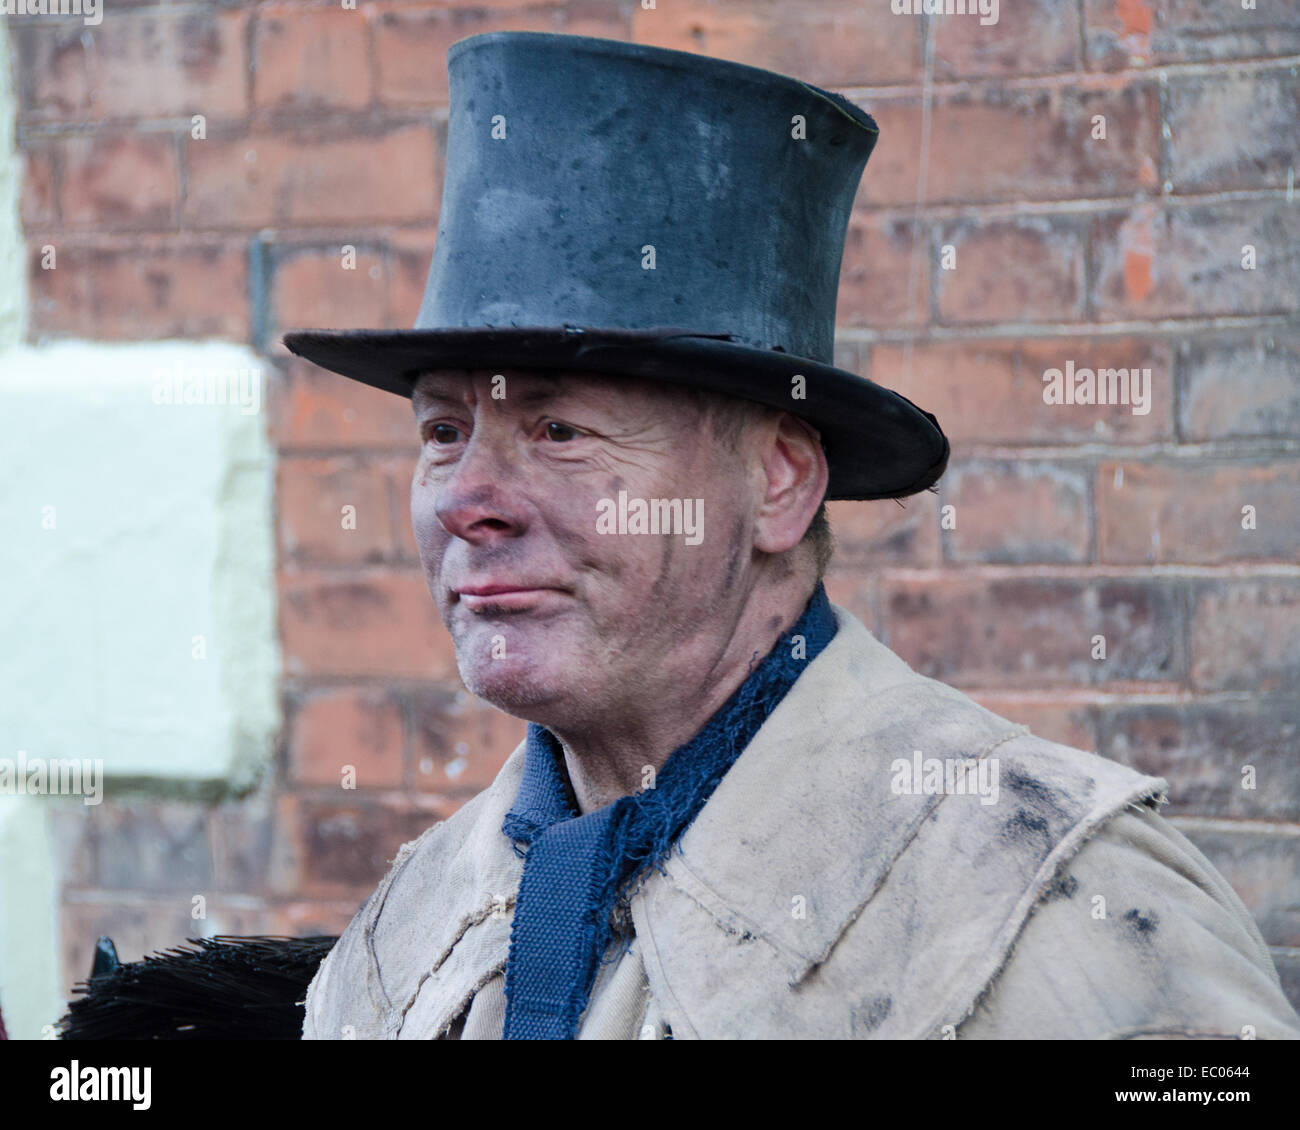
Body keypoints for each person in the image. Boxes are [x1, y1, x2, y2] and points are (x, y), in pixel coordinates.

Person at [284, 31, 1299, 1040]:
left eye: (559, 431)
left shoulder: (1053, 903)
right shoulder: (403, 937)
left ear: (777, 483)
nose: (470, 499)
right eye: (443, 432)